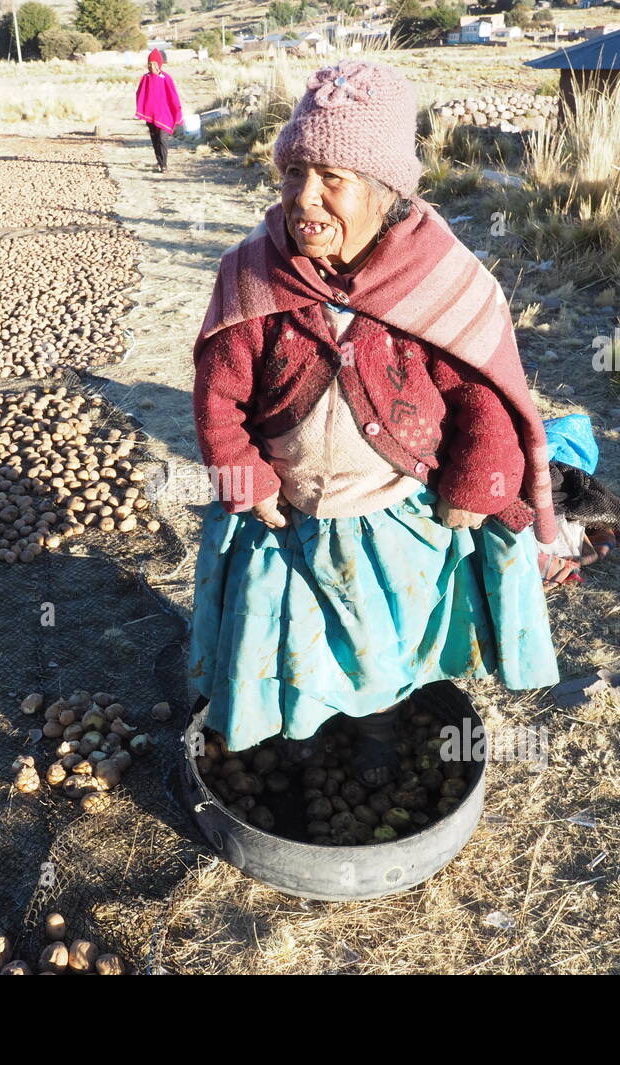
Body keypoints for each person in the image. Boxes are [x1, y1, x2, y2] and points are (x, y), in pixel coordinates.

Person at [188, 60, 561, 786]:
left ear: (387, 190)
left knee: (385, 647)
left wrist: (475, 481)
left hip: (395, 523)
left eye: (333, 177)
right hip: (286, 522)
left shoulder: (436, 278)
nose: (305, 197)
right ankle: (296, 754)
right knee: (292, 648)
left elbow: (483, 392)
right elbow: (218, 401)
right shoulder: (255, 276)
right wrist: (246, 476)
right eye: (294, 172)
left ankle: (379, 751)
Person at [135, 48, 184, 173]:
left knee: (162, 139)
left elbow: (173, 97)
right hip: (150, 115)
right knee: (155, 139)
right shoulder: (145, 78)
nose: (152, 67)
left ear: (159, 64)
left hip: (164, 115)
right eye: (150, 64)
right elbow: (139, 94)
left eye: (154, 64)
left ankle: (164, 165)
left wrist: (177, 113)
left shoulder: (165, 78)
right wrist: (142, 109)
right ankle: (159, 161)